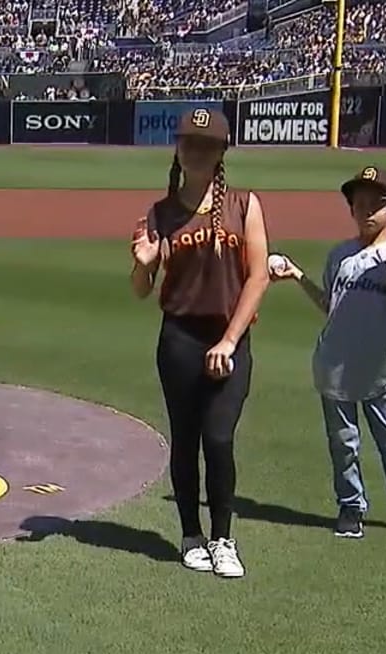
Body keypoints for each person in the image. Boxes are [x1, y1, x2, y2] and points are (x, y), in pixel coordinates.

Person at [129, 108, 272, 579]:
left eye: (207, 144)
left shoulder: (244, 205)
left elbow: (258, 276)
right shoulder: (161, 213)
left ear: (221, 152)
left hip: (229, 338)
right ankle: (191, 534)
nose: (196, 151)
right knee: (185, 439)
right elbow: (140, 289)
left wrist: (230, 340)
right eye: (189, 142)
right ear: (177, 148)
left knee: (219, 437)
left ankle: (223, 537)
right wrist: (145, 262)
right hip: (180, 339)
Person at [267, 166, 386, 540]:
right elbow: (331, 305)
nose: (365, 211)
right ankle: (350, 505)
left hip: (377, 366)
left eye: (375, 203)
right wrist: (297, 275)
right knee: (343, 442)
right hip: (334, 363)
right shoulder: (341, 255)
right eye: (357, 203)